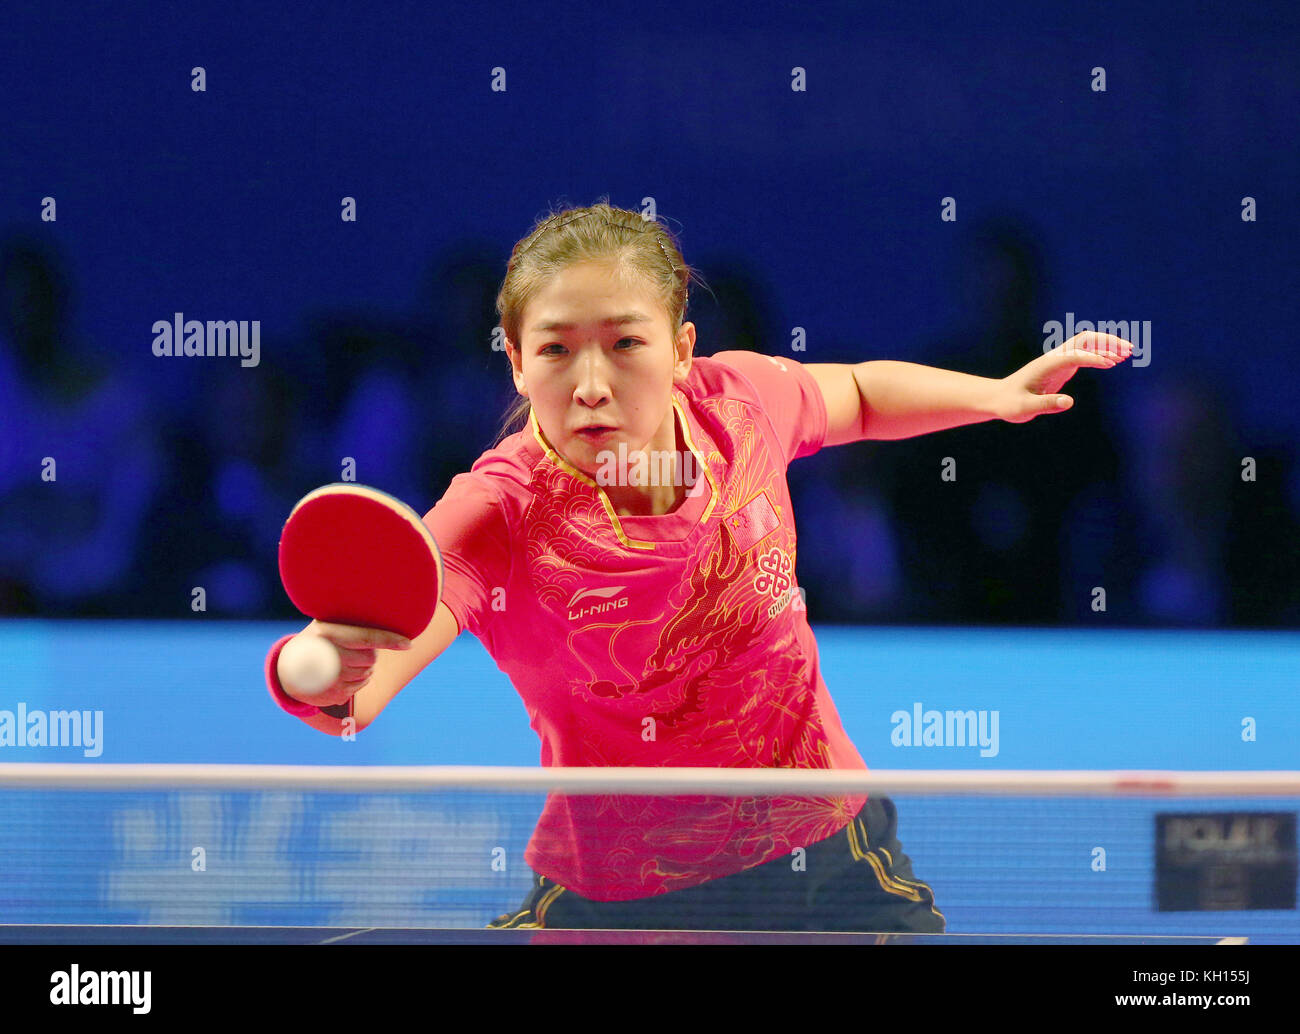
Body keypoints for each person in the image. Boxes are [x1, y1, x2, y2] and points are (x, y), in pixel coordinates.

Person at [263, 200, 1131, 932]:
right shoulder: (496, 513)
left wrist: (996, 396)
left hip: (820, 850)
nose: (591, 382)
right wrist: (329, 674)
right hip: (621, 897)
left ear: (681, 351)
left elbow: (860, 394)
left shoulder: (739, 406)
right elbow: (361, 689)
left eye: (625, 344)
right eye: (557, 349)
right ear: (517, 361)